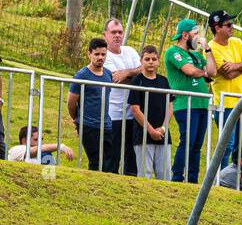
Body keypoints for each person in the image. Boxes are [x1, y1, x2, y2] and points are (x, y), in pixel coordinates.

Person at [204, 10, 242, 169]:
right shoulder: (212, 47)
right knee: (227, 145)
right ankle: (221, 178)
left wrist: (237, 65)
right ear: (217, 28)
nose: (232, 27)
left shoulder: (237, 42)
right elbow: (227, 74)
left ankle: (238, 179)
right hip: (226, 104)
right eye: (228, 25)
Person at [164, 19, 215, 183]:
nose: (198, 38)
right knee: (188, 141)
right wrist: (204, 73)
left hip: (202, 104)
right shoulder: (173, 52)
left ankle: (192, 180)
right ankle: (177, 176)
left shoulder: (196, 54)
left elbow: (213, 71)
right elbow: (190, 71)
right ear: (185, 35)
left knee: (197, 145)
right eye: (195, 34)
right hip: (185, 104)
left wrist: (207, 48)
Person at [67, 38, 115, 172]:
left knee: (108, 161)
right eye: (97, 54)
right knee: (96, 161)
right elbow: (71, 102)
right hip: (89, 125)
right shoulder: (82, 75)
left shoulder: (108, 74)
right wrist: (78, 119)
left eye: (103, 54)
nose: (100, 57)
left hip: (106, 125)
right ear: (89, 54)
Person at [103, 18, 142, 177]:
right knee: (113, 155)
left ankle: (130, 185)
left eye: (120, 32)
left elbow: (143, 70)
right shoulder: (104, 55)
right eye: (113, 32)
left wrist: (127, 72)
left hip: (133, 112)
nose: (117, 35)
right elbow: (115, 77)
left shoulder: (130, 51)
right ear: (105, 35)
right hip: (114, 114)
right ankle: (108, 182)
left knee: (132, 156)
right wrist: (135, 73)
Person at [127, 46, 172, 180]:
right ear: (141, 61)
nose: (151, 62)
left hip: (163, 136)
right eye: (147, 59)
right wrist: (151, 130)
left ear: (158, 61)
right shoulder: (137, 81)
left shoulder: (163, 81)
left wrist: (163, 128)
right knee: (144, 174)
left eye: (154, 59)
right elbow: (135, 109)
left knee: (164, 174)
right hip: (143, 135)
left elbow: (170, 106)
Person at [7, 125, 75, 163]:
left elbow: (49, 177)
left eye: (41, 139)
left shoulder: (45, 155)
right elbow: (33, 151)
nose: (40, 143)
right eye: (36, 140)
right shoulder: (17, 149)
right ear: (24, 141)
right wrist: (60, 146)